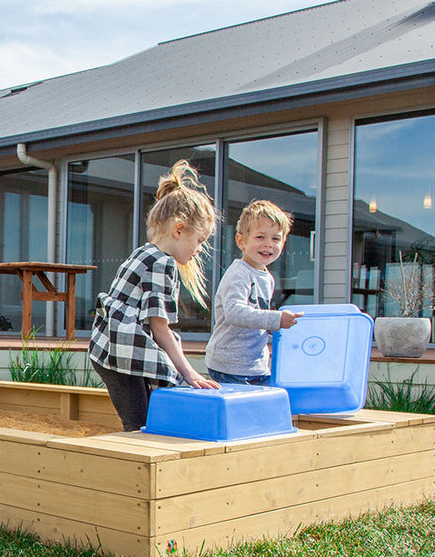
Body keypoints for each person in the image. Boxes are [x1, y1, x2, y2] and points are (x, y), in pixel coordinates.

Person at [90, 160, 220, 431]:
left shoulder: (144, 252)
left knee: (146, 417)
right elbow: (160, 329)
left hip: (112, 349)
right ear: (179, 229)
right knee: (140, 424)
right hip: (121, 355)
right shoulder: (163, 263)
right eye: (200, 241)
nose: (199, 250)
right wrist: (189, 372)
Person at [205, 199, 303, 385]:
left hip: (254, 363)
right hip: (230, 364)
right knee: (242, 411)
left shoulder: (266, 277)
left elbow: (258, 317)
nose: (268, 244)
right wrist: (276, 319)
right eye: (260, 237)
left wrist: (282, 326)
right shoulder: (239, 273)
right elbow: (234, 313)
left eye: (275, 239)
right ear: (241, 241)